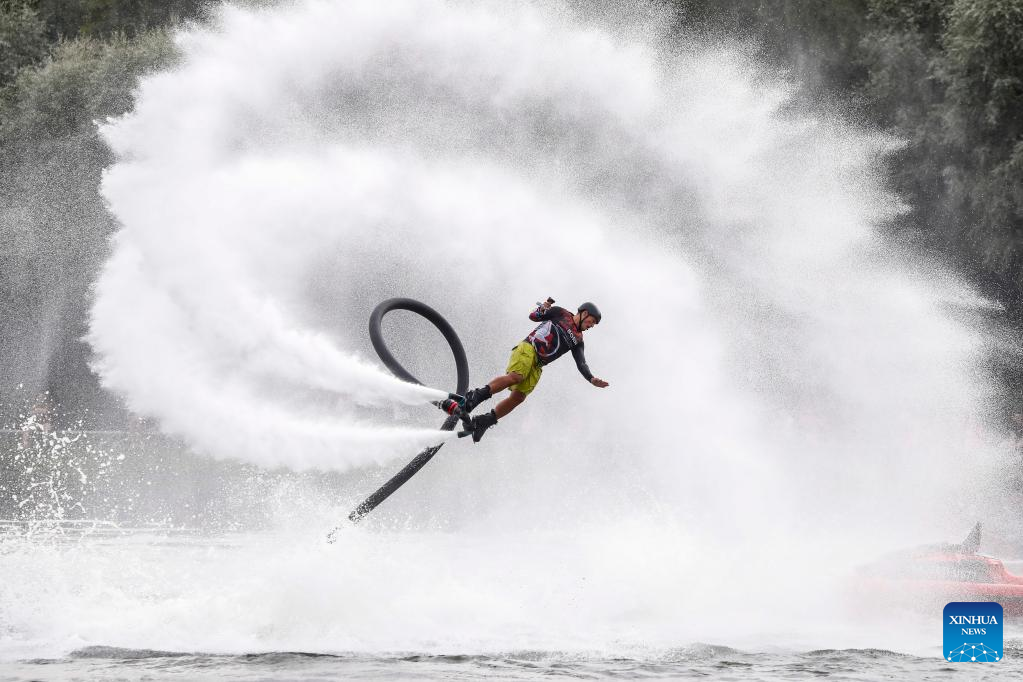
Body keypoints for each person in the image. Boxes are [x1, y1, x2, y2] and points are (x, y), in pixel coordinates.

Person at [459, 299, 609, 442]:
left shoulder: (578, 340)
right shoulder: (561, 313)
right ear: (584, 313)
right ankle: (474, 396)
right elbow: (533, 316)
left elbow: (581, 363)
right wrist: (542, 308)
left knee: (518, 397)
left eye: (594, 324)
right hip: (529, 348)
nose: (591, 326)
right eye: (592, 321)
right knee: (516, 377)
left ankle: (484, 421)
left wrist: (591, 378)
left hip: (538, 364)